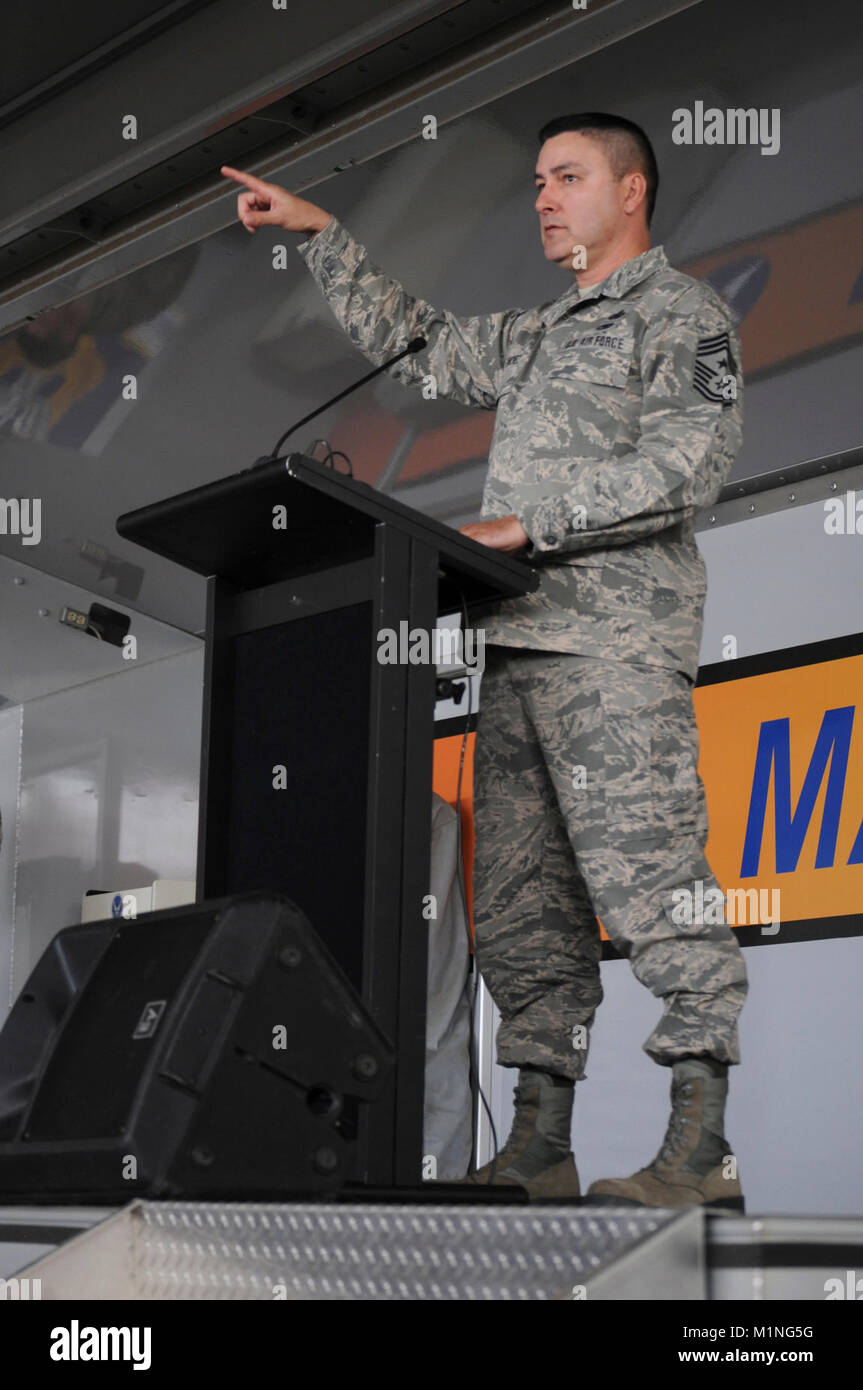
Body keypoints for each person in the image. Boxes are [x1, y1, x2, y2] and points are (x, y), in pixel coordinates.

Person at [221, 109, 748, 1208]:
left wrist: (529, 523)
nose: (544, 197)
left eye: (566, 176)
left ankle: (696, 1153)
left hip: (609, 649)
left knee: (655, 893)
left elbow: (684, 465)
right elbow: (417, 342)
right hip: (511, 652)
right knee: (520, 915)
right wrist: (321, 231)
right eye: (539, 180)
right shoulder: (539, 332)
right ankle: (538, 1145)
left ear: (631, 191)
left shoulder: (681, 313)